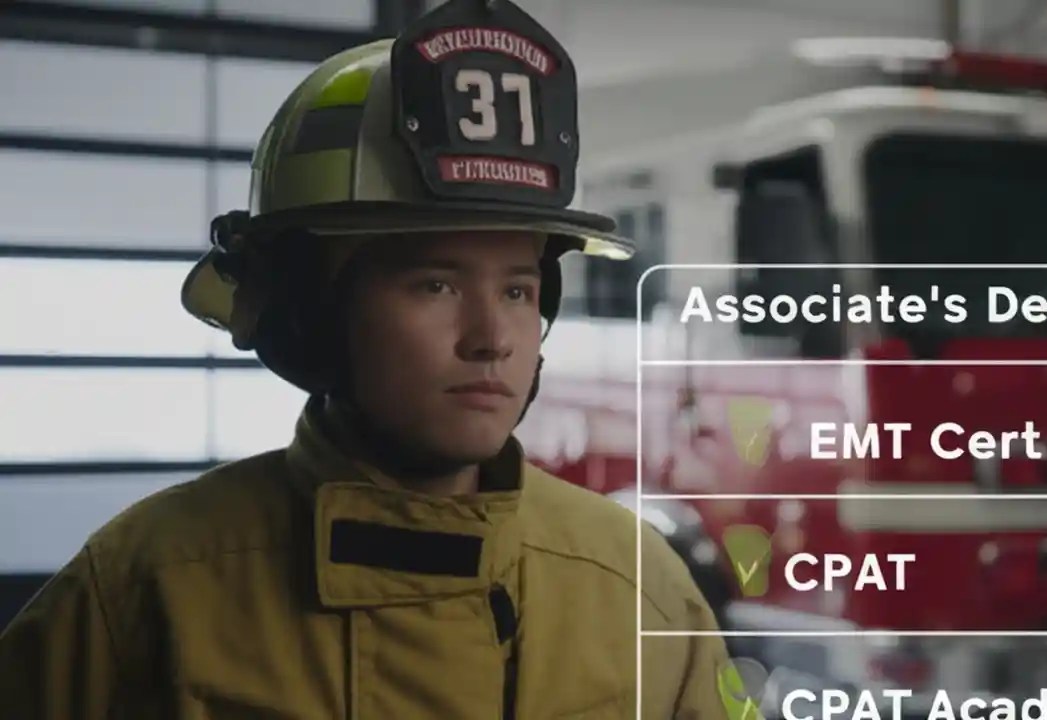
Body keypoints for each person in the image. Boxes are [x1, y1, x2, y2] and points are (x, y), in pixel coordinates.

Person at [0, 0, 732, 717]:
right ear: (310, 317)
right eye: (435, 283)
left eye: (518, 289)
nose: (493, 337)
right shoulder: (144, 589)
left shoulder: (640, 590)